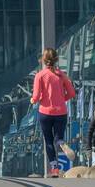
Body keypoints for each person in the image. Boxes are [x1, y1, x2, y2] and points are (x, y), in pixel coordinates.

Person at [30, 47, 76, 176]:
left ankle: (54, 169)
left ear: (43, 60)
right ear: (56, 60)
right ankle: (61, 142)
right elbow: (72, 93)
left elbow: (37, 96)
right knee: (57, 138)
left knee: (48, 141)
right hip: (61, 111)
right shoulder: (62, 75)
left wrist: (33, 100)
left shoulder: (40, 75)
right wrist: (62, 98)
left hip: (45, 112)